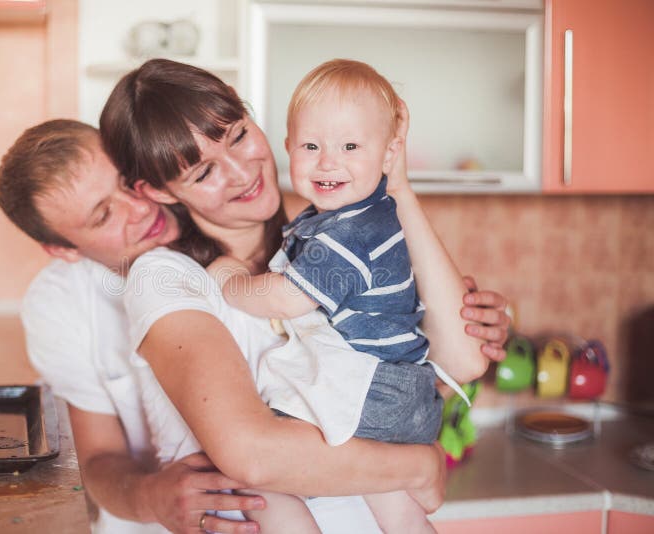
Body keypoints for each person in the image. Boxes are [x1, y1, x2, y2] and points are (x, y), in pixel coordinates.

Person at [98, 58, 508, 532]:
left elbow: (463, 362)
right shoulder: (168, 277)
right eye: (204, 172)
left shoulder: (323, 241)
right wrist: (419, 466)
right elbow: (253, 455)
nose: (241, 172)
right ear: (159, 191)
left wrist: (395, 184)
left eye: (239, 136)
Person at [206, 58, 474, 533]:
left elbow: (287, 299)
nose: (328, 161)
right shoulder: (343, 218)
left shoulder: (351, 233)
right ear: (289, 147)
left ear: (389, 155)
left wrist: (231, 280)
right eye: (311, 146)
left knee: (263, 474)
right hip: (398, 394)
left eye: (350, 146)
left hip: (373, 393)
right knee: (390, 499)